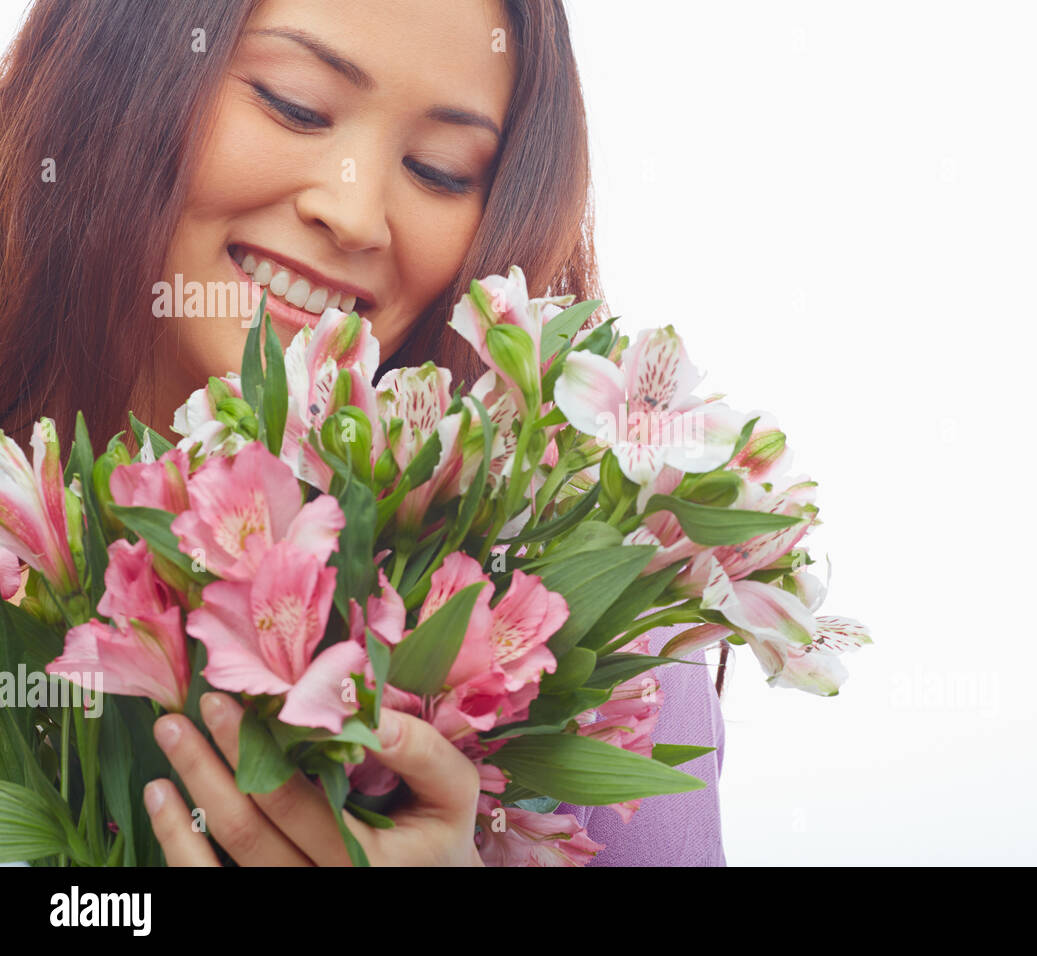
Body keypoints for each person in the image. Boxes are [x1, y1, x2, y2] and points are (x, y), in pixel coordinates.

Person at [0, 0, 726, 866]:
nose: (354, 213)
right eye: (294, 103)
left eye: (441, 169)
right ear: (107, 75)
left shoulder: (590, 654)